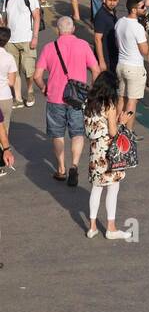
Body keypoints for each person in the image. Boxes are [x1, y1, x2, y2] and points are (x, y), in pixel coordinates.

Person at [33, 15, 99, 187]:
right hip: (78, 98)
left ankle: (61, 168)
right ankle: (74, 165)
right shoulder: (83, 45)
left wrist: (43, 88)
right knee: (77, 133)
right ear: (73, 29)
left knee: (57, 133)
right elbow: (96, 69)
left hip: (55, 97)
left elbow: (37, 76)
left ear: (58, 30)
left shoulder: (48, 48)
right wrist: (91, 90)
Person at [83, 71, 134, 239]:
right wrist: (122, 122)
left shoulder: (88, 103)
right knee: (113, 187)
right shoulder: (109, 105)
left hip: (94, 150)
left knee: (96, 188)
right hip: (108, 151)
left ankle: (92, 227)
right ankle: (111, 228)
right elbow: (113, 132)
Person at [4, 0, 40, 107]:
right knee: (14, 70)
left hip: (26, 38)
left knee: (28, 69)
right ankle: (18, 98)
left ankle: (30, 90)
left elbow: (36, 16)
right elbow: (6, 19)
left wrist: (35, 37)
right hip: (10, 40)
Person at [115, 0, 148, 123]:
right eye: (142, 7)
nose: (145, 8)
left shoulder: (120, 22)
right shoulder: (138, 28)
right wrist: (145, 34)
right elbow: (144, 51)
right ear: (134, 10)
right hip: (134, 67)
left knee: (121, 98)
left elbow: (118, 44)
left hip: (121, 64)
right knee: (132, 101)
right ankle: (127, 132)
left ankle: (117, 127)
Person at [93, 0, 121, 74]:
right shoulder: (101, 16)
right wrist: (101, 62)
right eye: (110, 0)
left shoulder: (112, 12)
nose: (112, 3)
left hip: (112, 52)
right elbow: (97, 39)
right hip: (105, 56)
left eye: (114, 0)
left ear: (118, 0)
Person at [0, 25, 18, 164]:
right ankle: (2, 159)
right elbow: (12, 82)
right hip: (5, 96)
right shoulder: (9, 58)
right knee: (4, 128)